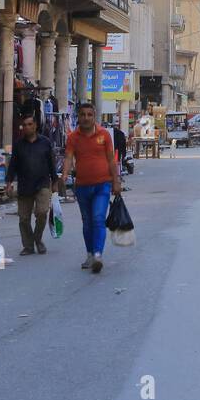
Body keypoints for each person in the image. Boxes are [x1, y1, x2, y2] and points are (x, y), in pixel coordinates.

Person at [62, 102, 121, 274]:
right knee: (87, 222)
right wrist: (64, 174)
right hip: (82, 186)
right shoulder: (73, 137)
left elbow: (111, 159)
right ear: (78, 117)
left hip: (102, 184)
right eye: (82, 115)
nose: (86, 118)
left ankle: (97, 255)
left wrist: (116, 181)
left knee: (97, 218)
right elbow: (68, 157)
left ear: (94, 116)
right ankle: (89, 254)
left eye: (89, 114)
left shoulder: (104, 135)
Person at [5, 110, 57, 256]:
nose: (27, 127)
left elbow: (52, 164)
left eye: (30, 124)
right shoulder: (19, 145)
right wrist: (8, 182)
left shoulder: (45, 143)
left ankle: (38, 239)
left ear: (35, 126)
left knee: (41, 213)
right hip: (24, 185)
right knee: (24, 218)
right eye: (24, 125)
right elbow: (13, 165)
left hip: (42, 184)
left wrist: (55, 182)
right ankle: (28, 246)